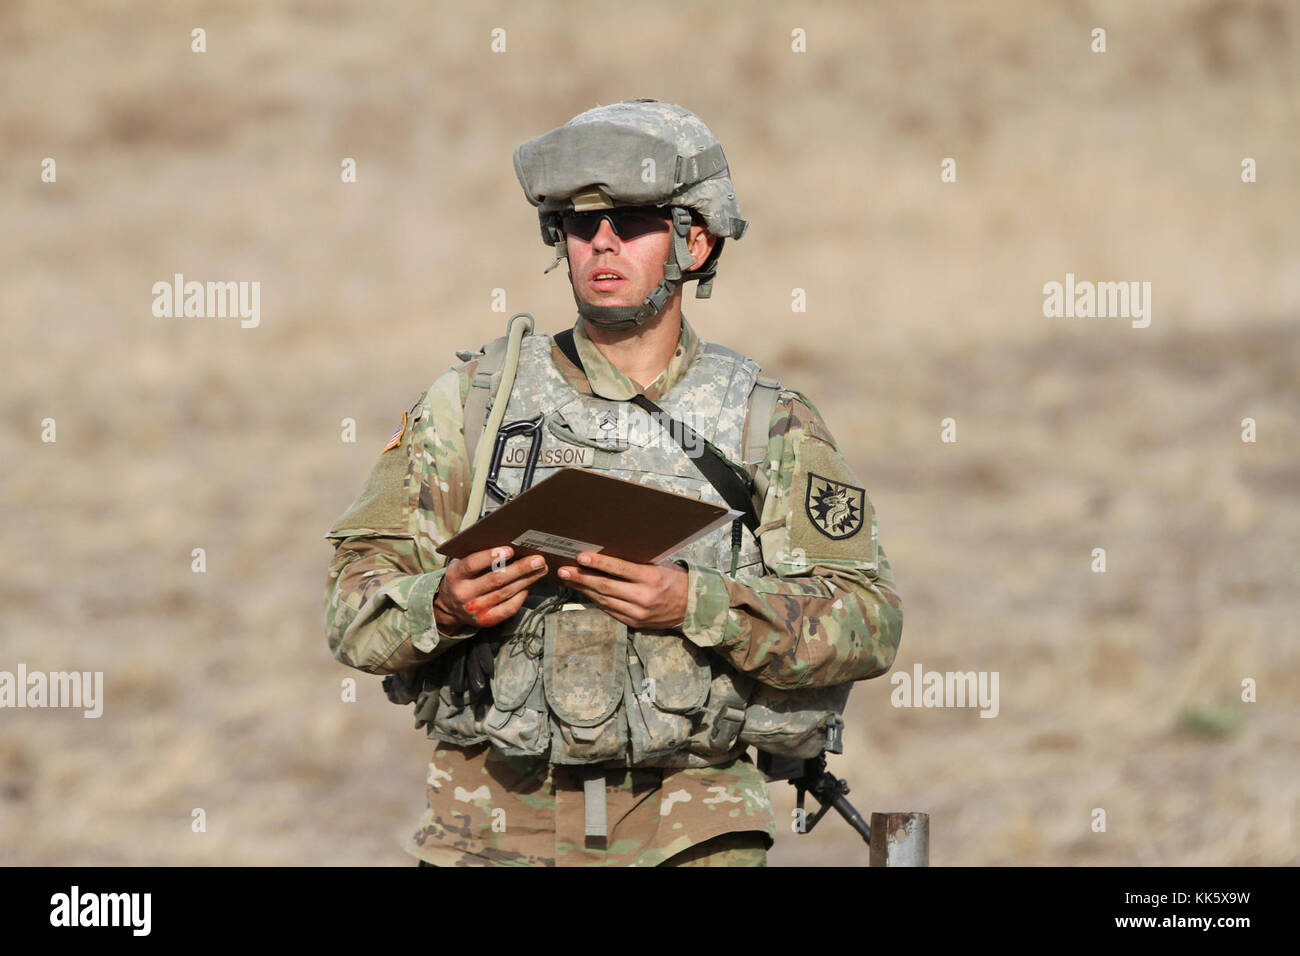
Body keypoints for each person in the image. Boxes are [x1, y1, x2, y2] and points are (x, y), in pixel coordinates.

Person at [324, 98, 903, 867]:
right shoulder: (472, 407)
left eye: (632, 222)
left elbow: (867, 621)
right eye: (577, 224)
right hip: (487, 828)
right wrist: (443, 603)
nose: (601, 242)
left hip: (691, 832)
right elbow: (350, 605)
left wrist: (699, 604)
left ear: (694, 240)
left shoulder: (765, 423)